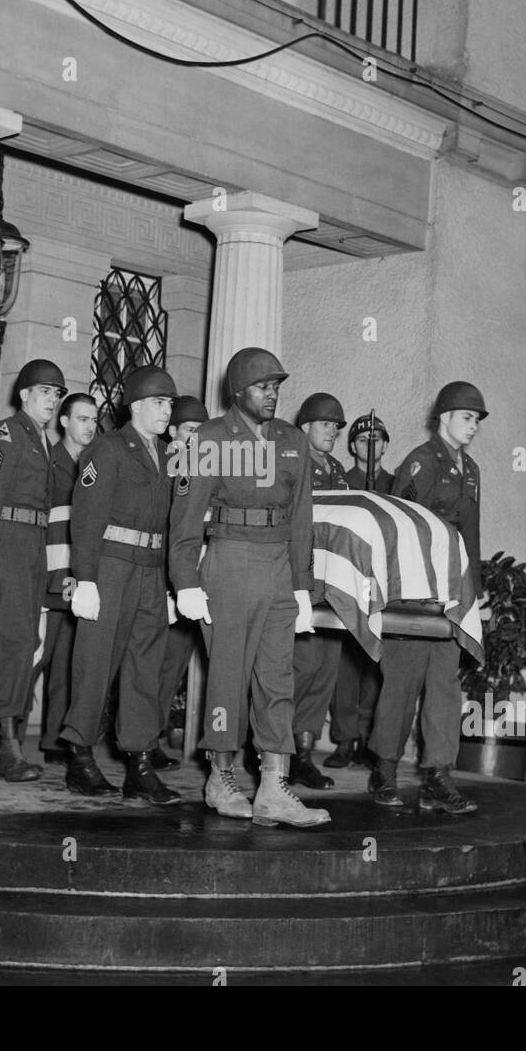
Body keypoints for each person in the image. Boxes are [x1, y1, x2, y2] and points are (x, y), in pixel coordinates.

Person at [169, 347, 329, 828]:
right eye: (263, 386)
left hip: (279, 564)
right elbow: (184, 517)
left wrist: (303, 586)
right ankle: (221, 777)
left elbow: (302, 517)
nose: (272, 395)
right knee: (227, 678)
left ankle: (274, 789)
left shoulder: (293, 441)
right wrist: (186, 582)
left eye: (277, 387)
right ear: (239, 391)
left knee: (278, 678)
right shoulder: (211, 439)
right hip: (229, 562)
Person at [60, 366, 181, 804]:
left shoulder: (171, 455)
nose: (166, 410)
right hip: (111, 566)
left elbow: (174, 523)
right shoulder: (107, 450)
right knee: (95, 662)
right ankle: (81, 757)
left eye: (169, 403)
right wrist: (86, 579)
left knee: (145, 668)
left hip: (151, 568)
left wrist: (173, 582)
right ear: (135, 406)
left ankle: (140, 765)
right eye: (157, 402)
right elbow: (88, 516)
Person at [368, 382, 486, 813]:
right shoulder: (421, 462)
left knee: (444, 684)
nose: (473, 426)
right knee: (403, 679)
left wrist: (476, 592)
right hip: (414, 588)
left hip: (451, 590)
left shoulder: (470, 469)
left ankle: (438, 775)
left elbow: (470, 533)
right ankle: (384, 769)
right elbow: (398, 524)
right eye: (467, 417)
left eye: (476, 420)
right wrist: (397, 590)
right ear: (444, 419)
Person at [0, 358, 66, 782]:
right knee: (15, 639)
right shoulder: (5, 434)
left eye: (57, 393)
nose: (51, 400)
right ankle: (9, 746)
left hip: (32, 547)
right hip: (6, 543)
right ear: (24, 395)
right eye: (44, 392)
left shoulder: (41, 439)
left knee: (24, 642)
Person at [31, 392, 98, 765]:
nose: (89, 427)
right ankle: (2, 737)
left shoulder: (97, 463)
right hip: (49, 572)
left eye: (94, 420)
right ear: (64, 421)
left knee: (70, 661)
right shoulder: (47, 460)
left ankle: (57, 740)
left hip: (82, 574)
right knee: (35, 655)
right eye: (82, 419)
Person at [288, 392, 349, 790]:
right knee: (300, 666)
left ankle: (305, 753)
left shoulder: (339, 469)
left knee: (326, 669)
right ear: (306, 427)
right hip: (300, 579)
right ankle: (278, 749)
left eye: (336, 427)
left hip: (334, 583)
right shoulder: (292, 461)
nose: (332, 432)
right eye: (326, 424)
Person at [327, 413, 393, 767]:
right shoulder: (341, 481)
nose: (371, 444)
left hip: (382, 584)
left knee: (375, 664)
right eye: (364, 439)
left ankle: (369, 737)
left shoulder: (397, 484)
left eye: (378, 438)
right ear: (352, 445)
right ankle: (344, 739)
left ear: (385, 445)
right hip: (348, 579)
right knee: (345, 665)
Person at [154, 395, 211, 771]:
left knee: (173, 663)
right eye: (189, 430)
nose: (195, 438)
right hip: (161, 576)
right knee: (151, 661)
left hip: (194, 579)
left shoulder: (207, 467)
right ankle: (141, 738)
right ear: (173, 431)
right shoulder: (163, 464)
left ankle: (155, 734)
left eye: (200, 432)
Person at [344, 413, 393, 494]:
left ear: (384, 446)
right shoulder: (342, 484)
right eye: (362, 440)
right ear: (353, 446)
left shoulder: (395, 485)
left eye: (375, 440)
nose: (369, 445)